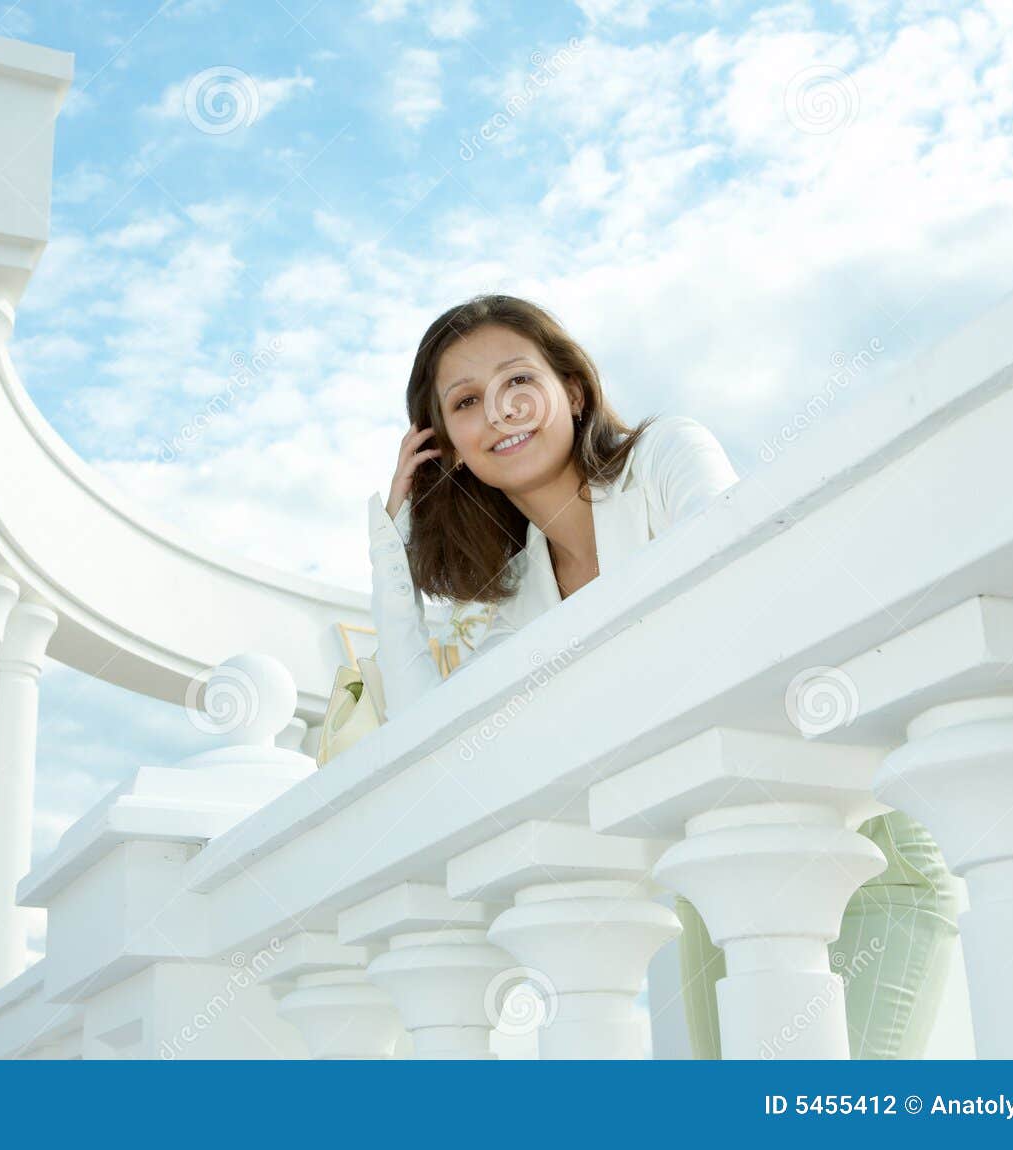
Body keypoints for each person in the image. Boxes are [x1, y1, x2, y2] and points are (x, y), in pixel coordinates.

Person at [367, 292, 958, 1058]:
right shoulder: (520, 602)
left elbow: (729, 595)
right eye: (468, 402)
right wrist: (393, 547)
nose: (502, 411)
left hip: (863, 855)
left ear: (571, 391)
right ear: (446, 445)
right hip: (719, 876)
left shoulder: (666, 457)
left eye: (519, 381)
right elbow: (433, 743)